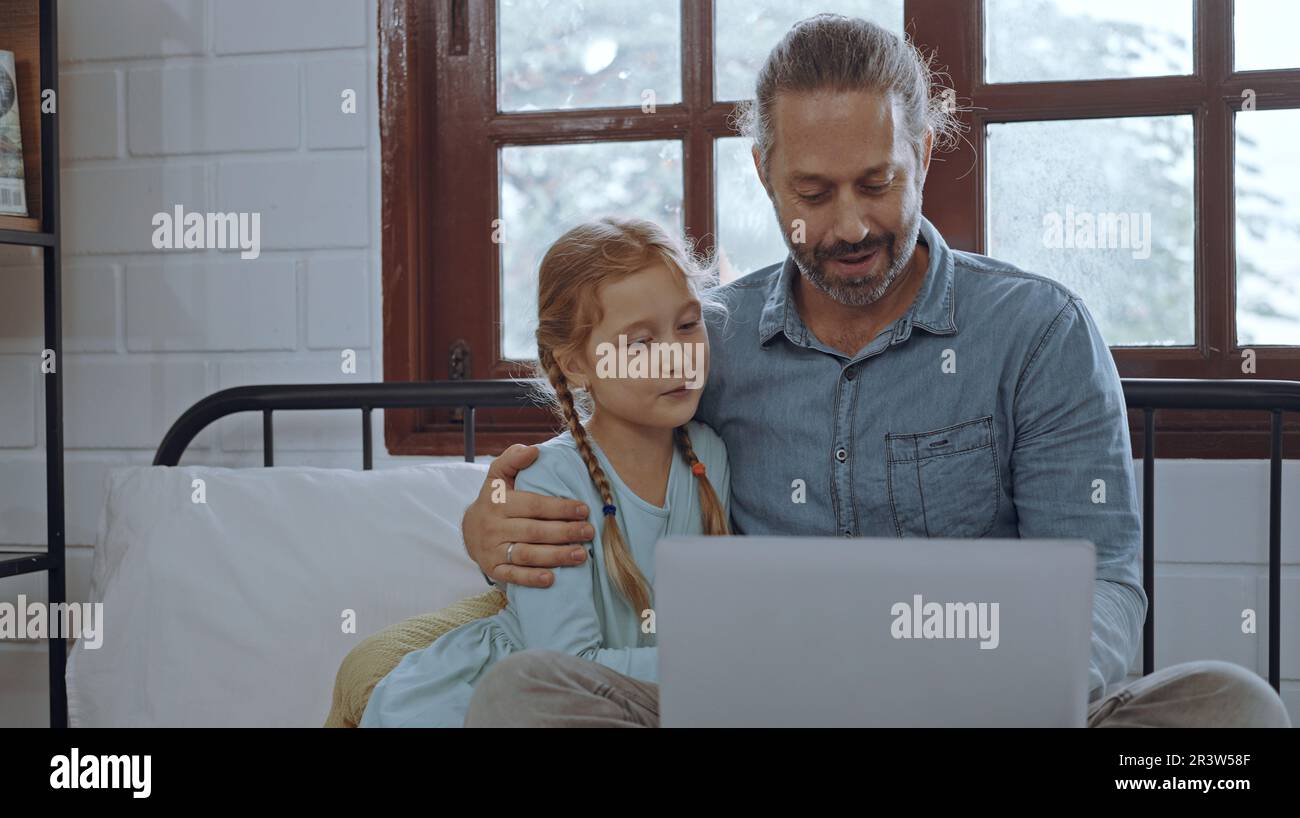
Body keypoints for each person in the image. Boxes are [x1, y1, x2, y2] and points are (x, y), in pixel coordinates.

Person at [458, 15, 1291, 728]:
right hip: (764, 709)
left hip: (986, 710)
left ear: (924, 154)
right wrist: (490, 520)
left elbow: (1106, 581)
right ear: (764, 174)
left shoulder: (1039, 333)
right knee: (522, 697)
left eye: (876, 182)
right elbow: (603, 428)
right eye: (812, 193)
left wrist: (1024, 691)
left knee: (1231, 714)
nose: (848, 224)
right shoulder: (713, 336)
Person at [360, 217, 730, 727]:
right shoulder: (549, 481)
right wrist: (719, 672)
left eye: (688, 325)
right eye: (639, 343)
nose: (678, 356)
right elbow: (569, 669)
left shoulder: (710, 455)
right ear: (576, 364)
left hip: (647, 695)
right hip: (535, 696)